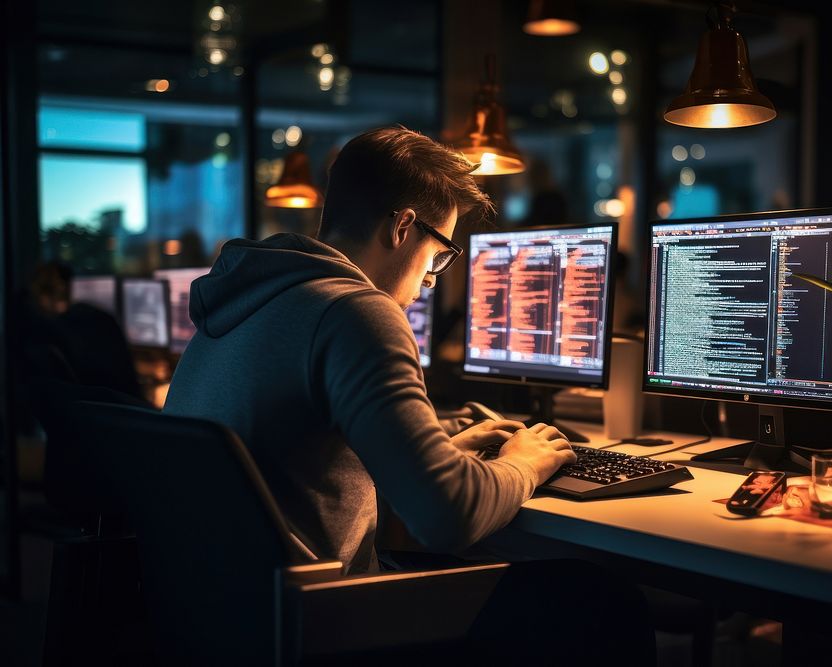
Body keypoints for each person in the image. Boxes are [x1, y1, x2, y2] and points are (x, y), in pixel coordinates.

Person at [164, 127, 578, 573]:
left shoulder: (245, 297)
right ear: (402, 226)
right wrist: (523, 466)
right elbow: (448, 519)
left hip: (216, 614)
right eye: (440, 253)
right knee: (600, 597)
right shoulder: (356, 310)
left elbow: (304, 470)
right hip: (328, 620)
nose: (433, 278)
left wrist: (438, 458)